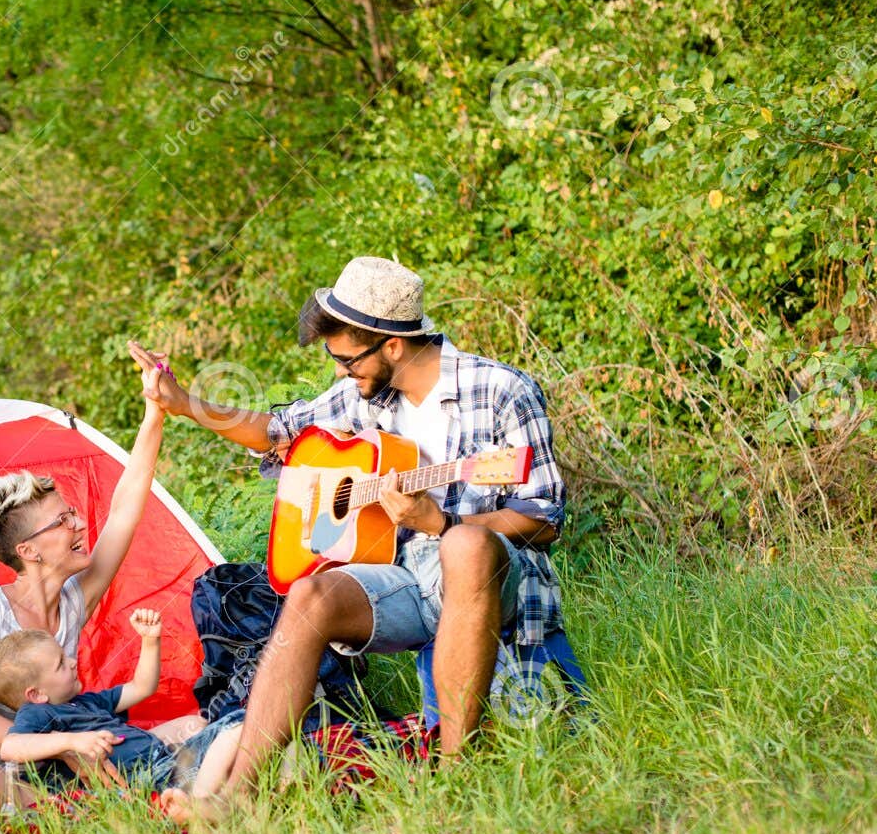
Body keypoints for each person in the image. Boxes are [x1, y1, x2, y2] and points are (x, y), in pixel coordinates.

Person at [137, 256, 567, 799]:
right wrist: (183, 403)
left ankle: (456, 777)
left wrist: (441, 521)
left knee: (465, 544)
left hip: (489, 581)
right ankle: (234, 795)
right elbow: (277, 432)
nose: (340, 372)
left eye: (345, 359)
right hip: (406, 578)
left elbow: (544, 516)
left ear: (393, 346)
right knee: (310, 595)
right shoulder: (361, 394)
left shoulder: (502, 389)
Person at [0, 356, 202, 814]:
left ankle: (145, 800)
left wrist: (154, 413)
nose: (79, 524)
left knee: (193, 726)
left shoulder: (72, 600)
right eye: (63, 520)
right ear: (28, 550)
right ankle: (59, 813)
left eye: (71, 514)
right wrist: (64, 745)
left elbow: (124, 511)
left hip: (54, 766)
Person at [0, 608, 243, 797]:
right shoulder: (38, 713)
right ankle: (201, 800)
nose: (73, 662)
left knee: (212, 727)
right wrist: (71, 741)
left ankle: (199, 789)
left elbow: (141, 687)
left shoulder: (84, 703)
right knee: (238, 724)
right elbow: (10, 747)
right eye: (61, 665)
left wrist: (150, 641)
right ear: (36, 694)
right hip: (145, 775)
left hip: (163, 761)